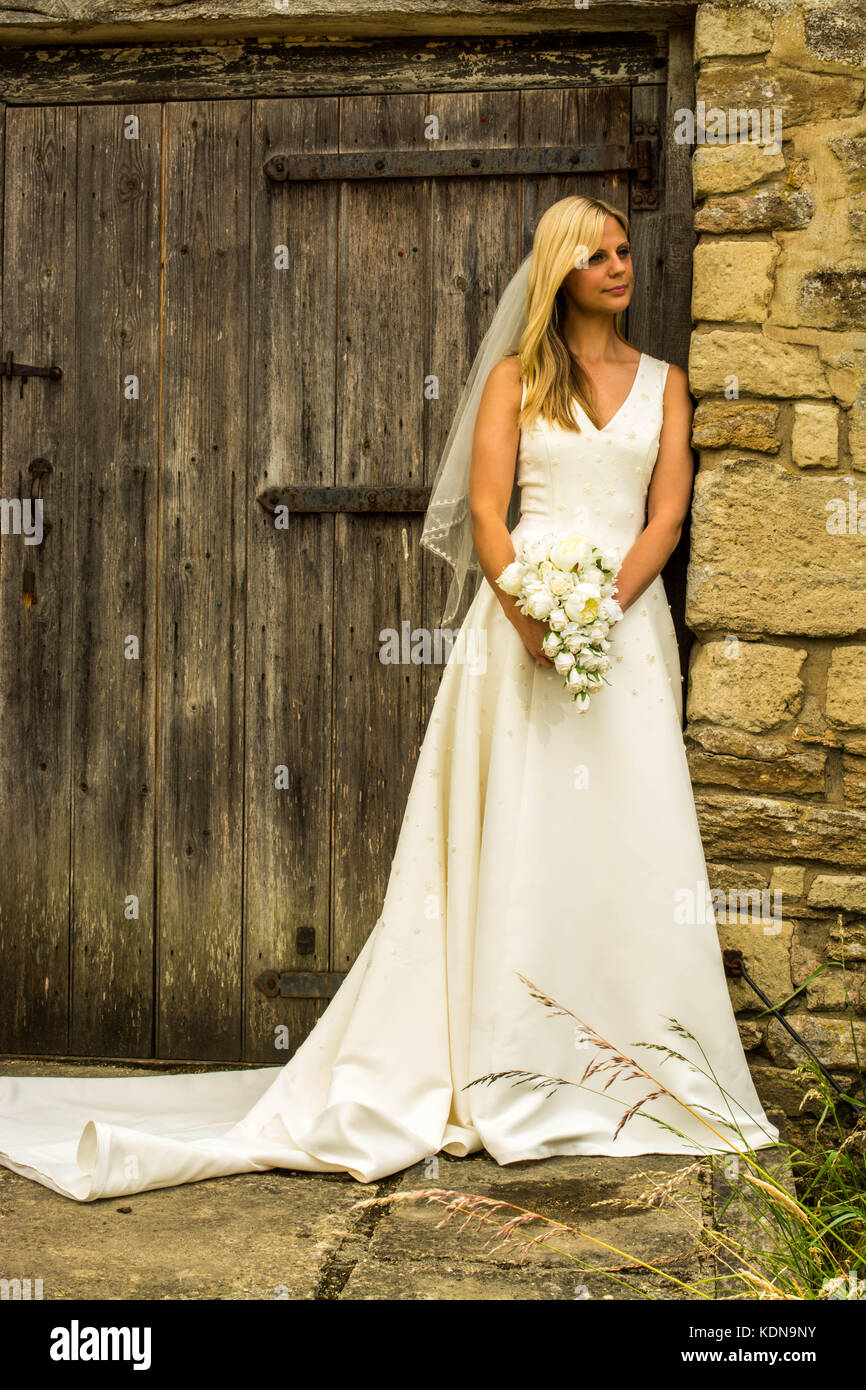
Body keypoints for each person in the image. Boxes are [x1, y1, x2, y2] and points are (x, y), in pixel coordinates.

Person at [0, 194, 778, 1201]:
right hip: (516, 634)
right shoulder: (512, 380)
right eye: (596, 254)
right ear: (558, 270)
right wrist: (534, 615)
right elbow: (490, 517)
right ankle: (507, 1061)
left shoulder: (666, 386)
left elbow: (665, 513)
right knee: (519, 834)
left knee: (627, 836)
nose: (619, 266)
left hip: (622, 637)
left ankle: (640, 1064)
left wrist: (600, 611)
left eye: (624, 250)